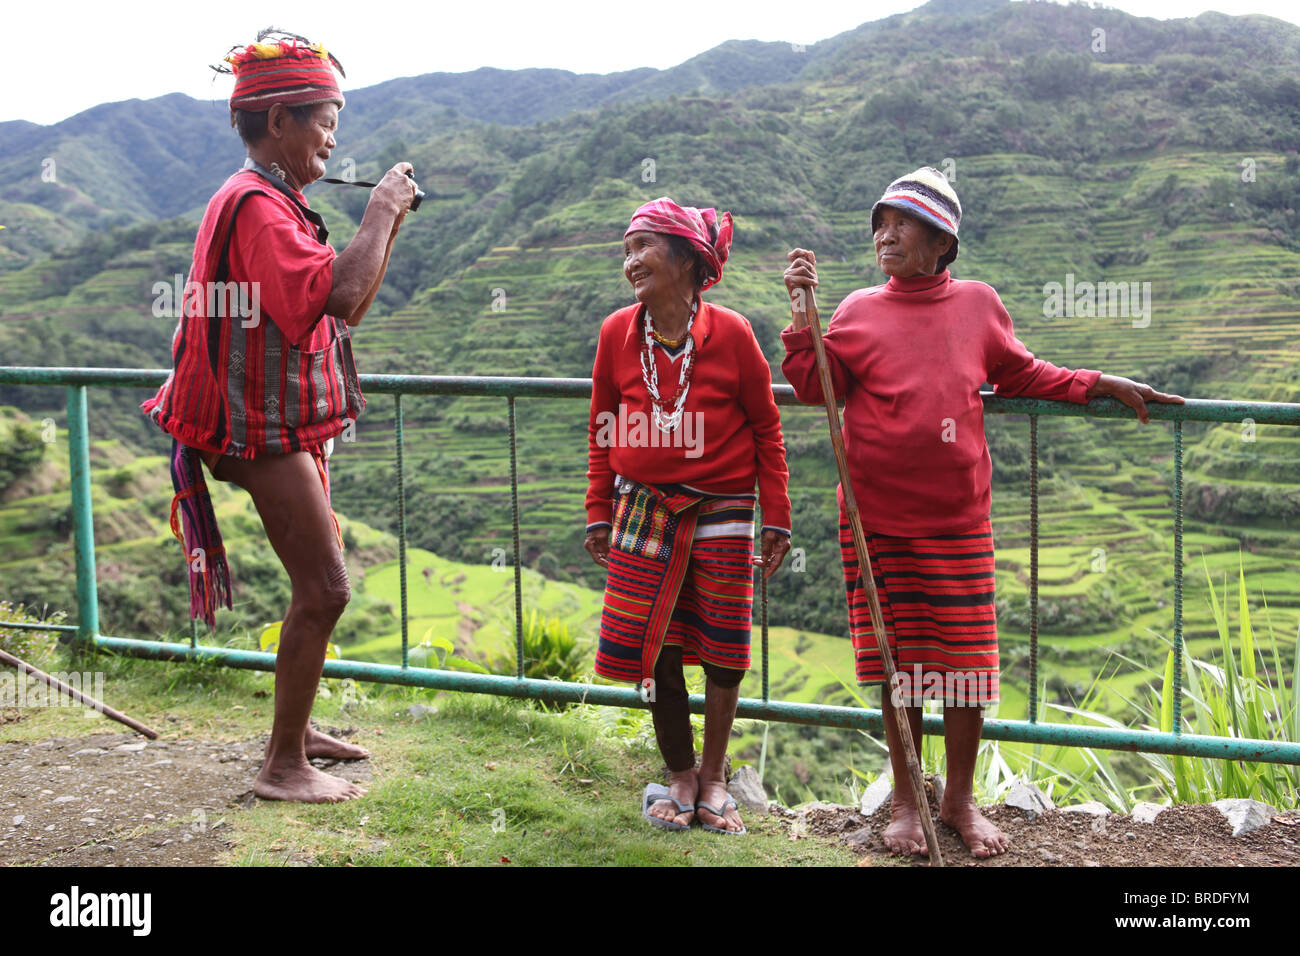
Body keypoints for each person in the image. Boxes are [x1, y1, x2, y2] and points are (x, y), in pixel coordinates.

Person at [781, 166, 1183, 857]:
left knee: (965, 666)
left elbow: (1022, 372)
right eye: (882, 222)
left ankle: (959, 801)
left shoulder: (978, 305)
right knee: (897, 664)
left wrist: (1095, 384)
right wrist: (802, 318)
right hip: (875, 519)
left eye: (903, 223)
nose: (888, 234)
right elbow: (820, 388)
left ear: (942, 243)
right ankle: (906, 803)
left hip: (957, 519)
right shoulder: (855, 310)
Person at [141, 30, 420, 803]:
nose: (332, 134)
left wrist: (385, 223)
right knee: (326, 588)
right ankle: (281, 768)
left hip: (261, 417)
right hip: (248, 424)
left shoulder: (271, 198)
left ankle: (296, 736)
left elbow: (350, 305)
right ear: (277, 123)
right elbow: (333, 297)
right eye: (323, 118)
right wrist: (381, 208)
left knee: (316, 584)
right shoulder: (258, 207)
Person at [584, 198, 792, 834]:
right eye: (627, 249)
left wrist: (777, 515)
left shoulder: (731, 334)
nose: (631, 262)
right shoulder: (616, 333)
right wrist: (598, 508)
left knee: (724, 644)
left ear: (685, 259)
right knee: (659, 645)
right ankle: (678, 771)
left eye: (643, 247)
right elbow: (601, 429)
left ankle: (714, 776)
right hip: (642, 508)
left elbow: (765, 425)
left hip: (725, 506)